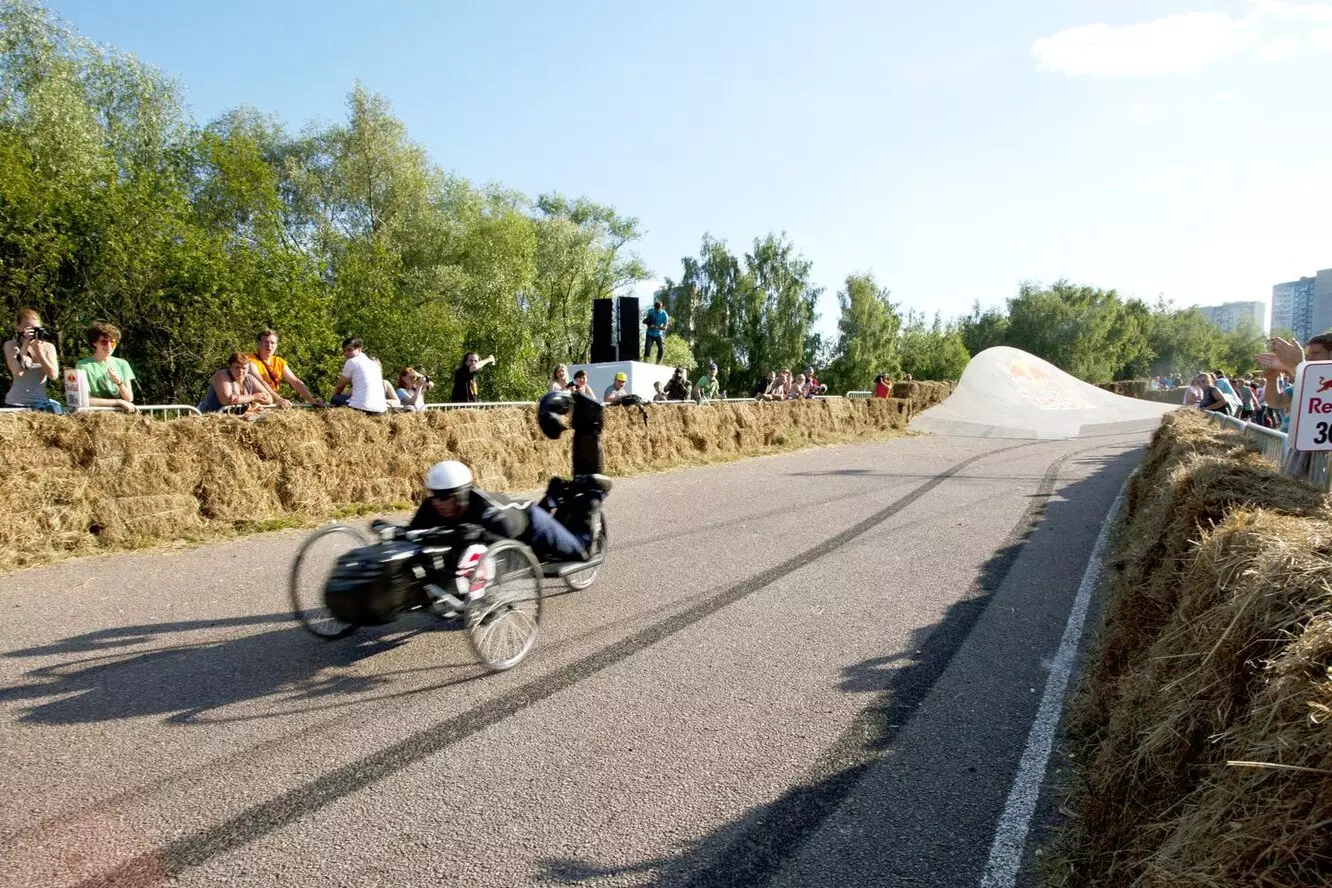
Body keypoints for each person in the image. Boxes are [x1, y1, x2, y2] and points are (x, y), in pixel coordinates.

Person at [407, 460, 610, 565]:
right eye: (435, 496)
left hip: (530, 524)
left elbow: (510, 539)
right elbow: (412, 534)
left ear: (461, 496)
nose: (439, 504)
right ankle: (553, 495)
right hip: (515, 515)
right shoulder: (431, 505)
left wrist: (478, 533)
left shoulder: (485, 509)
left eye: (446, 498)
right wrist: (391, 531)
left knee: (581, 553)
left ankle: (594, 495)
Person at [4, 308, 63, 413]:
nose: (32, 332)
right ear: (18, 328)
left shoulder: (48, 347)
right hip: (16, 404)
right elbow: (17, 373)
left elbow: (53, 376)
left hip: (40, 404)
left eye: (35, 329)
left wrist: (39, 351)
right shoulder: (11, 345)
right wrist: (24, 346)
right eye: (28, 328)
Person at [248, 329, 324, 407]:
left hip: (272, 400)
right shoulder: (250, 360)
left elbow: (295, 381)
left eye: (272, 343)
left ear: (276, 345)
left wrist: (311, 400)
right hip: (260, 400)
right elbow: (260, 381)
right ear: (259, 344)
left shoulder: (279, 362)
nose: (269, 346)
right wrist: (278, 399)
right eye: (266, 342)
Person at [76, 322, 136, 412]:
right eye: (104, 342)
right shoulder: (83, 366)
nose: (109, 346)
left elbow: (129, 398)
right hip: (97, 418)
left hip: (121, 419)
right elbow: (87, 400)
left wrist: (118, 382)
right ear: (94, 343)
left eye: (112, 342)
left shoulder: (123, 364)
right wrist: (118, 402)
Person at [199, 352, 273, 414]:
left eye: (244, 368)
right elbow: (226, 400)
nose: (241, 371)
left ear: (248, 369)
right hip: (209, 417)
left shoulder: (249, 378)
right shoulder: (222, 375)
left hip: (234, 420)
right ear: (229, 367)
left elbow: (269, 399)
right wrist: (254, 397)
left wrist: (241, 399)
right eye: (237, 367)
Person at [331, 337, 388, 414]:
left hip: (361, 408)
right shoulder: (373, 364)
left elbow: (339, 387)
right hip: (380, 410)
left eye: (350, 350)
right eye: (345, 351)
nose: (346, 353)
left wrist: (332, 398)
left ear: (359, 349)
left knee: (335, 398)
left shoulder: (352, 361)